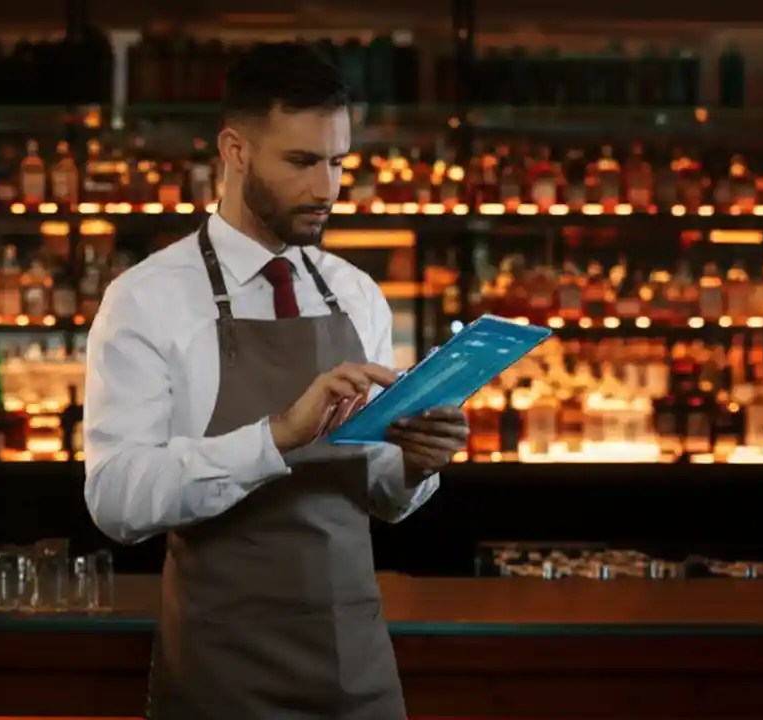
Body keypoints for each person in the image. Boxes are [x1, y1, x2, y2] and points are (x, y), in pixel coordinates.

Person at [83, 41, 469, 719]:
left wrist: (413, 464)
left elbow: (377, 492)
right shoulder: (146, 299)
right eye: (301, 162)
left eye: (338, 163)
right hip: (221, 674)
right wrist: (277, 437)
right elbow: (116, 502)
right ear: (235, 151)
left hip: (357, 667)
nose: (326, 188)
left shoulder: (357, 296)